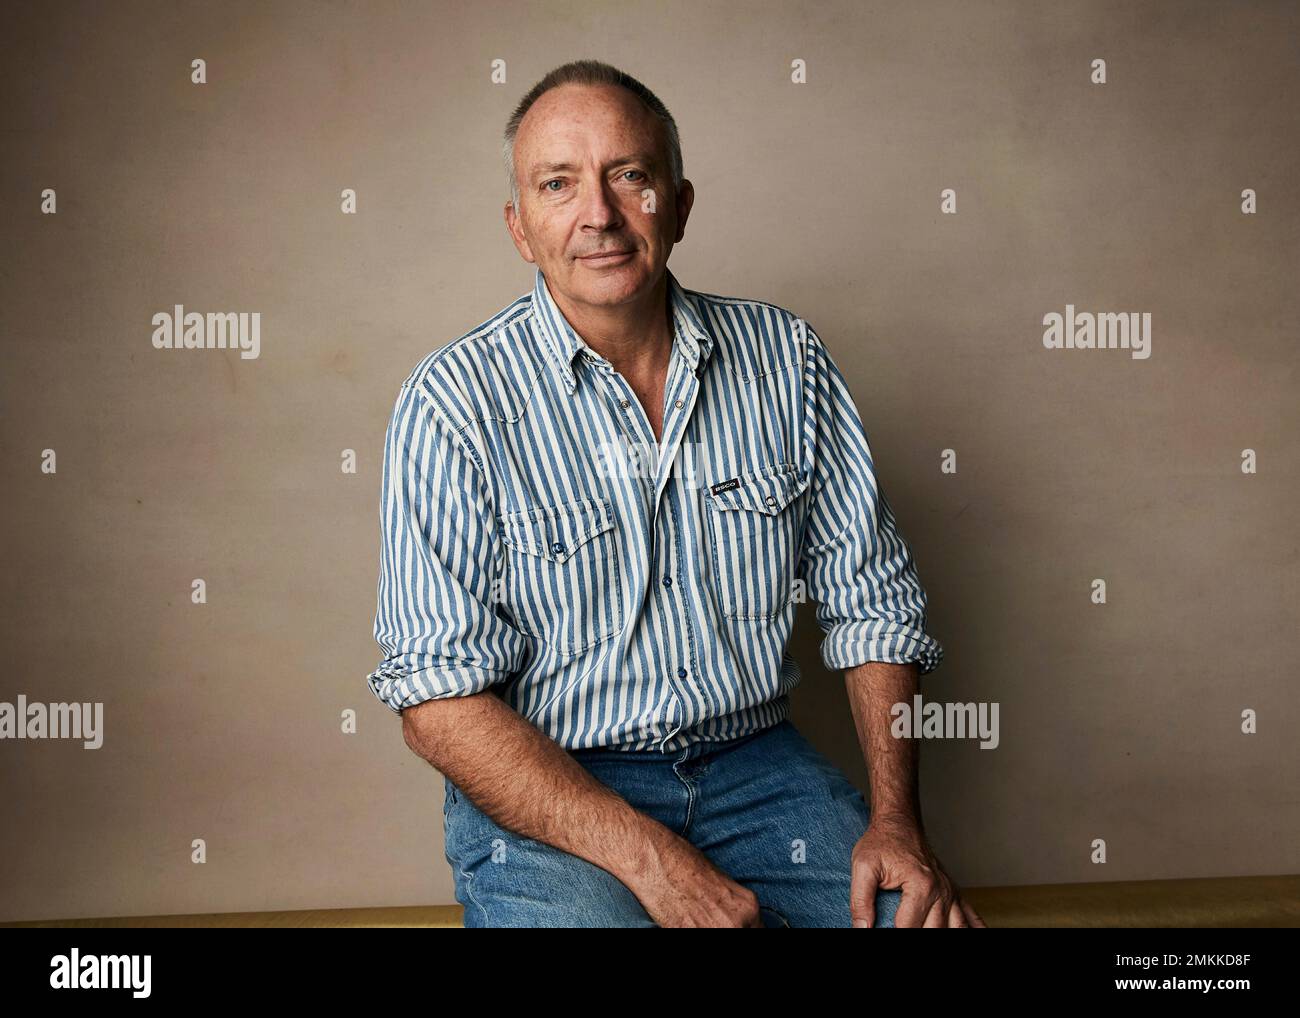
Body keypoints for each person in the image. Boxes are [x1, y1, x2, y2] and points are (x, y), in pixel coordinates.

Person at [366, 59, 985, 928]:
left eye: (630, 176)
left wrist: (896, 824)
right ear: (519, 227)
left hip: (760, 774)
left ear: (680, 204)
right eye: (558, 184)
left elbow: (872, 603)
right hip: (557, 794)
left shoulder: (786, 361)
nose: (600, 215)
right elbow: (438, 703)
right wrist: (650, 860)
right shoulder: (453, 403)